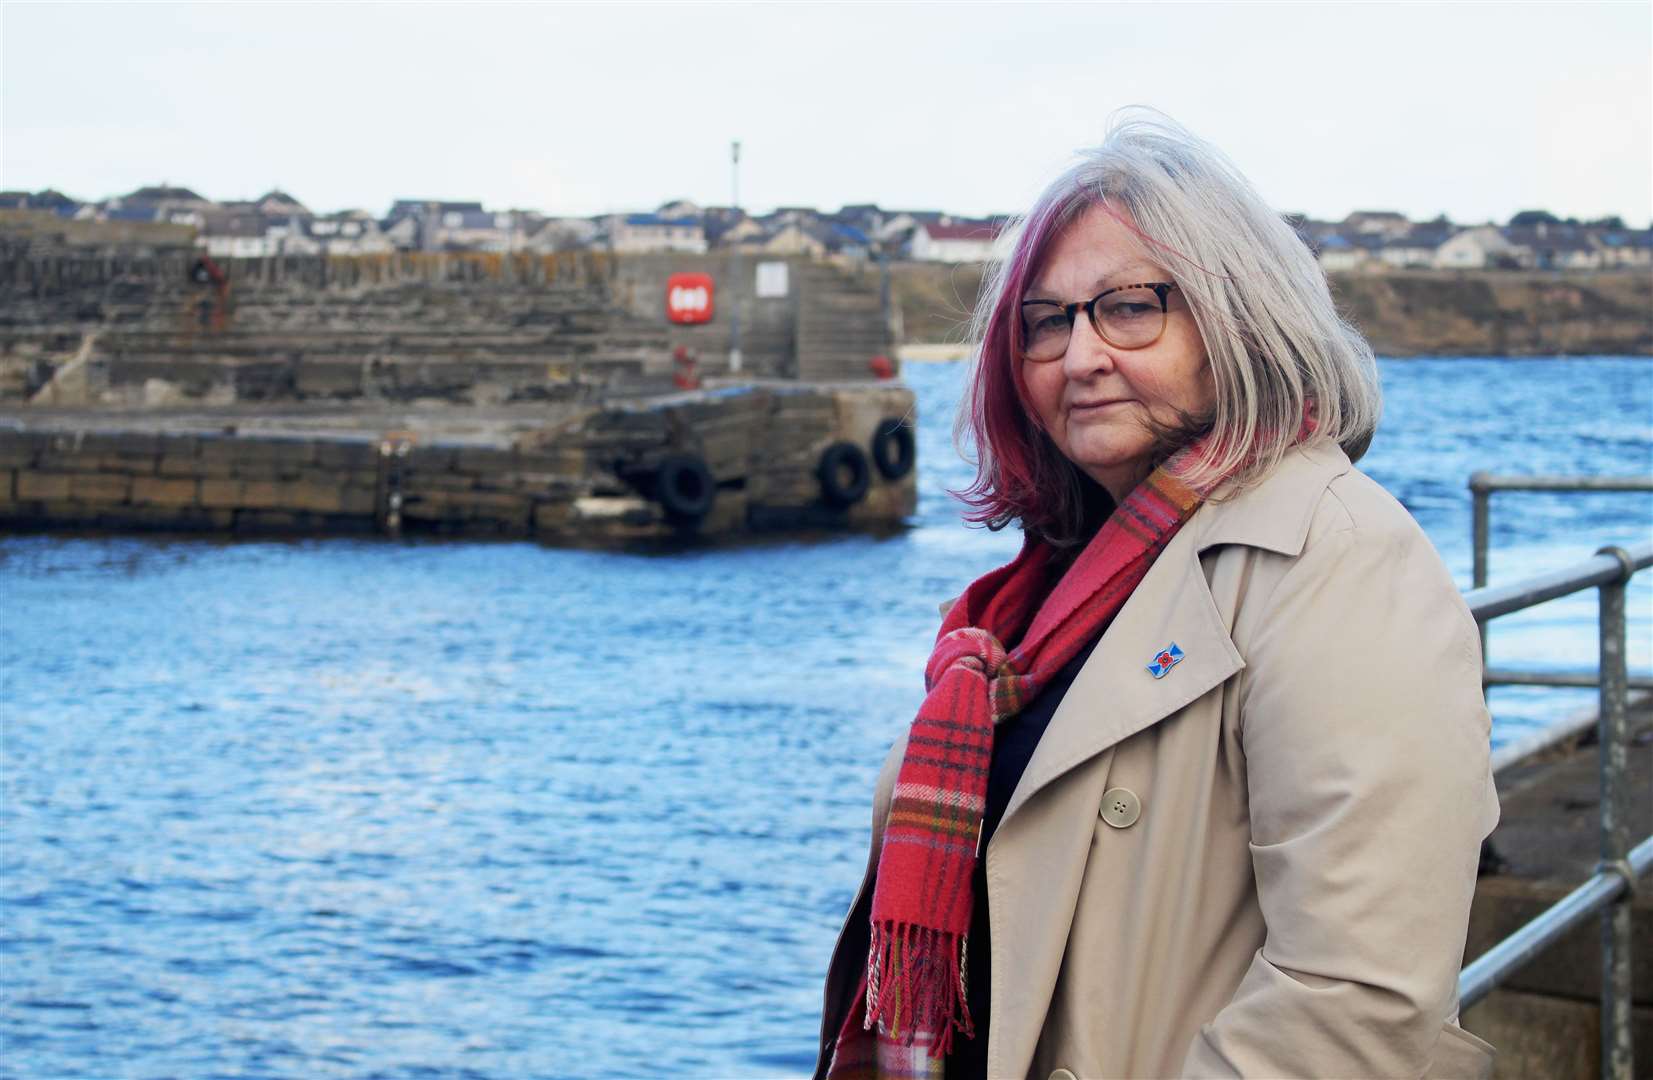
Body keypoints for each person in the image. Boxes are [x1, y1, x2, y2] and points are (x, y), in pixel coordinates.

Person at [814, 113, 1500, 1080]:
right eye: (1045, 321)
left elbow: (1354, 1000)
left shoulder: (1335, 557)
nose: (1079, 354)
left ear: (1238, 314)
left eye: (1128, 307)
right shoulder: (1044, 592)